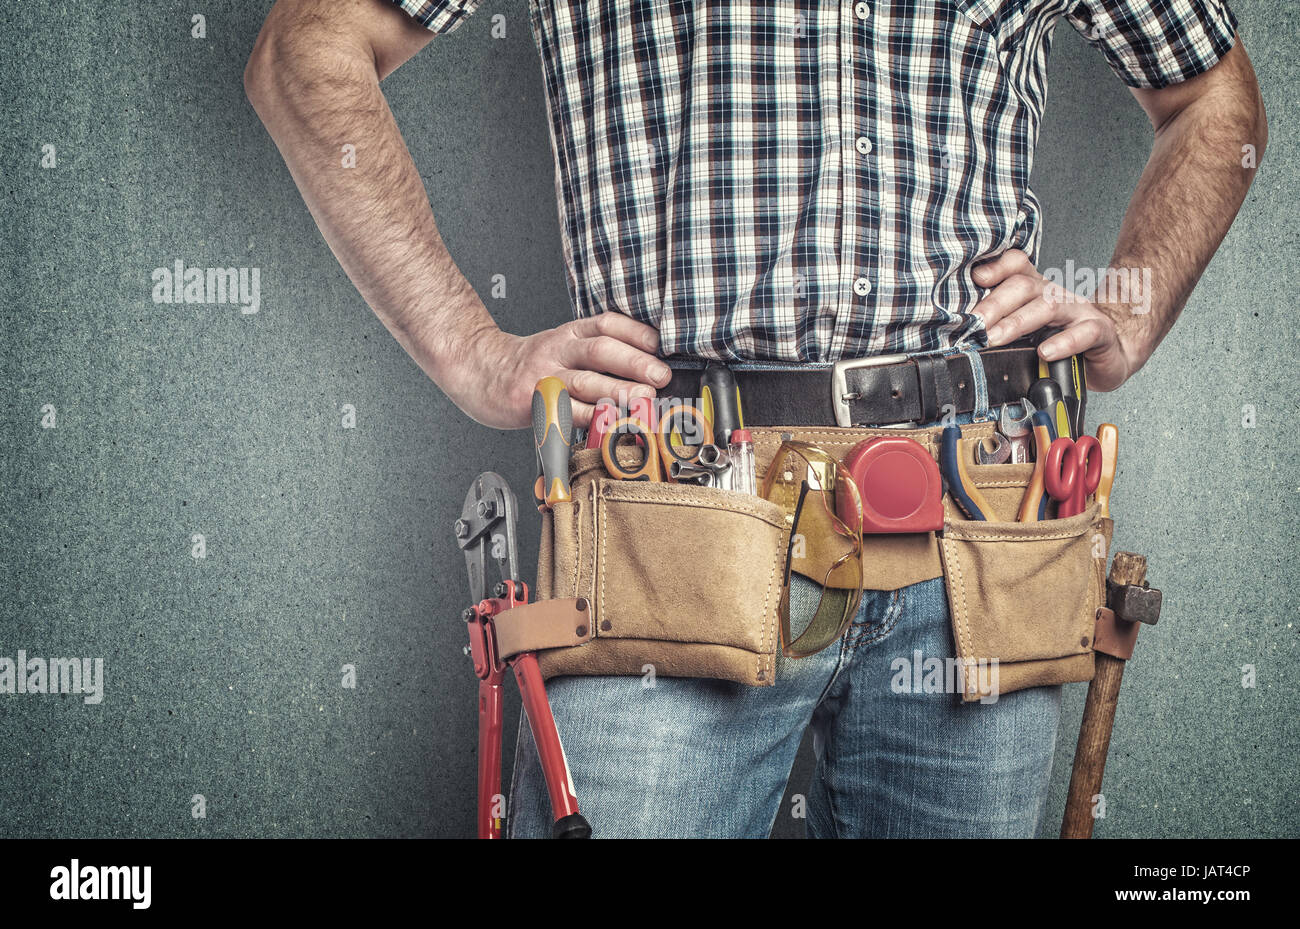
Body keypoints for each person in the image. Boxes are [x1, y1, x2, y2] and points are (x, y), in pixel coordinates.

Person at [245, 0, 1265, 837]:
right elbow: (309, 48)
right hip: (670, 520)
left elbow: (1216, 101)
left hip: (980, 527)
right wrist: (473, 352)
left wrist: (1124, 312)